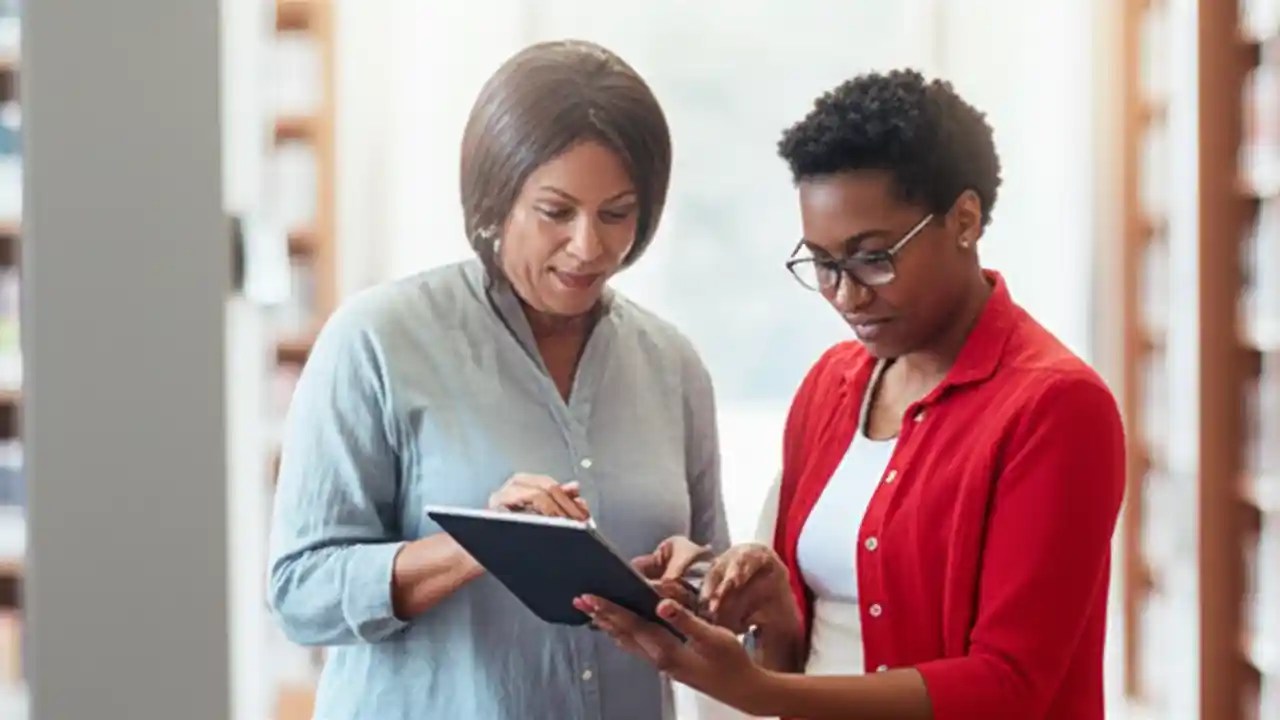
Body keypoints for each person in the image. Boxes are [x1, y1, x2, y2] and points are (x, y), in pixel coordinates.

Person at [578, 69, 1125, 720]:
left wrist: (756, 691)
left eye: (873, 257)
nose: (846, 295)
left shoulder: (1055, 407)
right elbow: (796, 655)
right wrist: (765, 607)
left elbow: (1009, 685)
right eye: (823, 263)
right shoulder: (832, 386)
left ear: (965, 220)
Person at [267, 39, 728, 720]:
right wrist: (479, 544)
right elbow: (300, 593)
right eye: (556, 211)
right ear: (496, 198)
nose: (589, 246)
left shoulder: (672, 364)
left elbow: (714, 588)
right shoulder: (378, 340)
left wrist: (693, 588)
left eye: (616, 213)